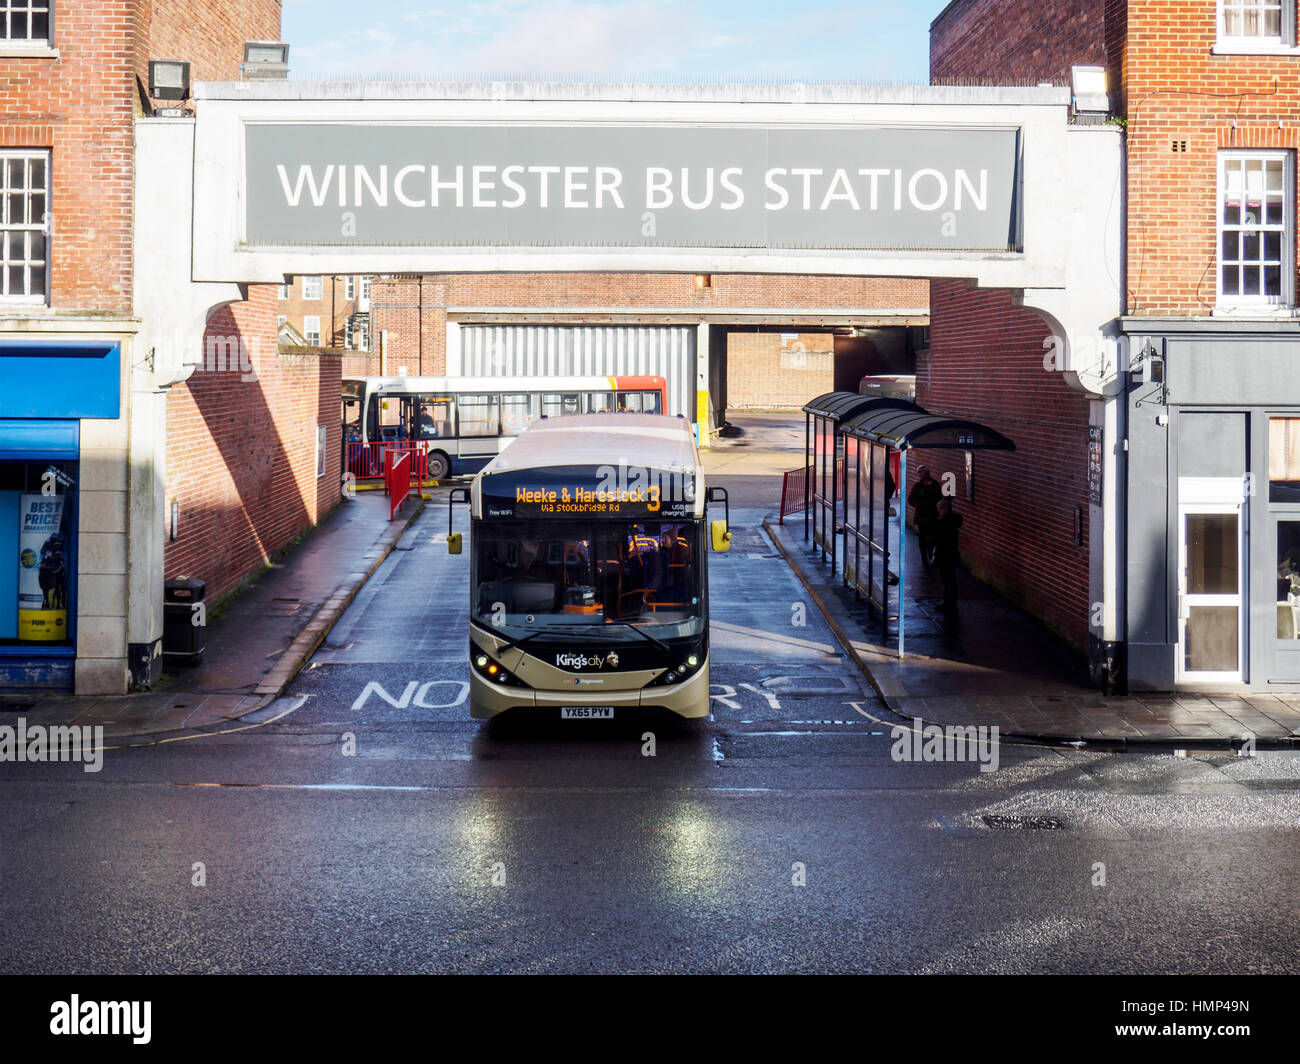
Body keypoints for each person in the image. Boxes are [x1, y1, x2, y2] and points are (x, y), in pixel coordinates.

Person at [933, 498, 963, 619]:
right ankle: (950, 602)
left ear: (945, 509)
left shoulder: (944, 522)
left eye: (940, 509)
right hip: (951, 553)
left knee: (947, 579)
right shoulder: (954, 520)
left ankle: (950, 604)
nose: (939, 512)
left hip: (944, 554)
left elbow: (938, 536)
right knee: (949, 579)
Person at [908, 465, 943, 566]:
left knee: (933, 535)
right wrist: (917, 506)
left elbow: (939, 497)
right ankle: (924, 555)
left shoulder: (935, 484)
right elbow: (911, 499)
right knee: (922, 536)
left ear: (926, 473)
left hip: (933, 514)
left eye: (921, 472)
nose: (919, 475)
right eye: (918, 473)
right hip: (921, 515)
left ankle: (930, 550)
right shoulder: (917, 486)